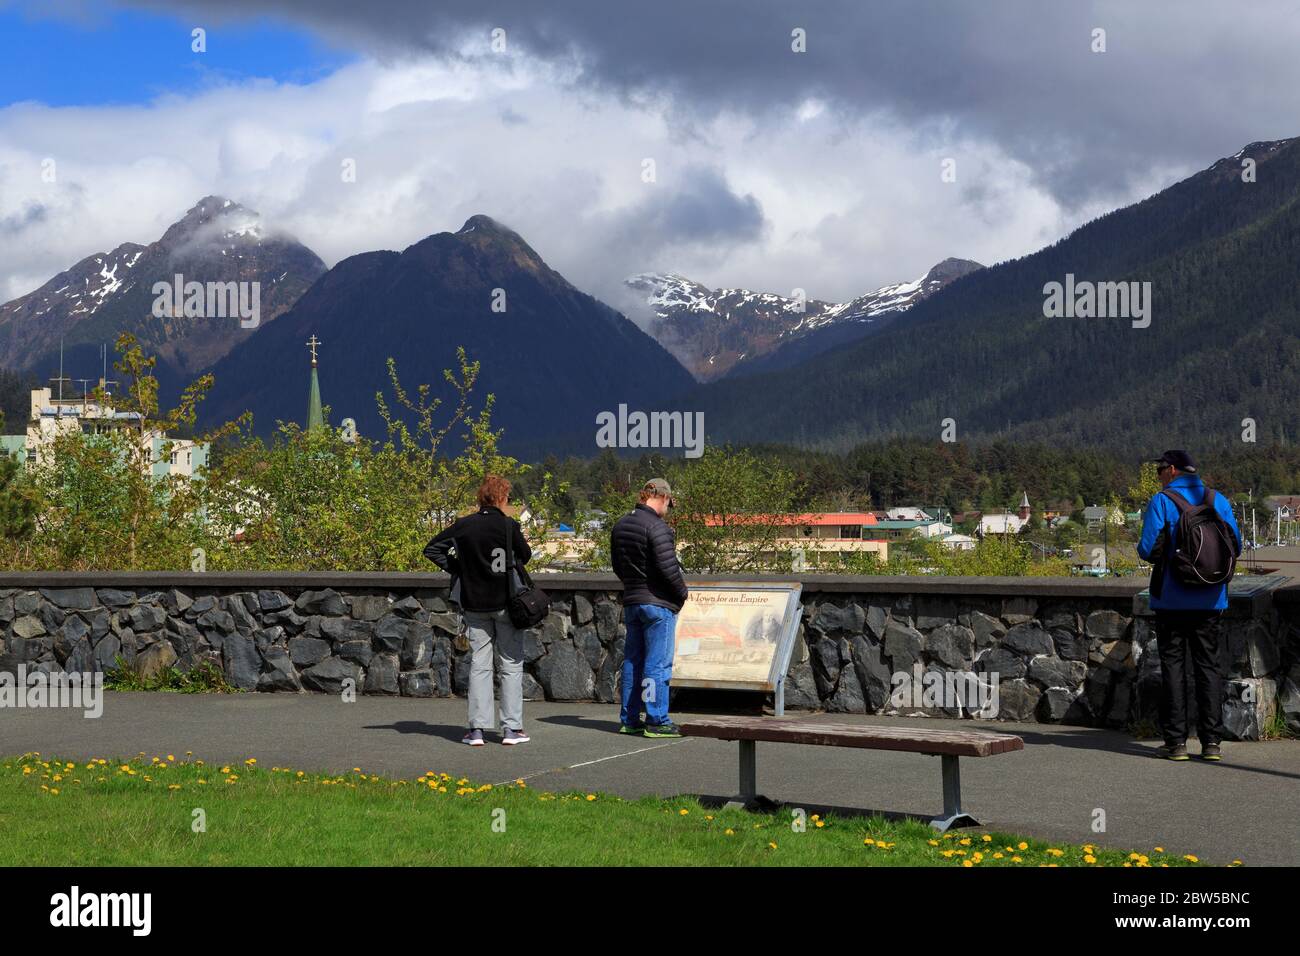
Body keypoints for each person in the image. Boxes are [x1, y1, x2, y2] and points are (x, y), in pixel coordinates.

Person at [1137, 450, 1241, 762]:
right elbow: (1235, 543)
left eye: (1159, 470)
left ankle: (1176, 743)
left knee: (1174, 668)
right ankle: (1211, 744)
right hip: (1210, 599)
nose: (1158, 475)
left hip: (1170, 600)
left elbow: (1146, 549)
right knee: (1208, 668)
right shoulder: (1216, 499)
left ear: (1171, 470)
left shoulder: (1162, 501)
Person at [424, 475, 532, 747]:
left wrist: (459, 567)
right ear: (501, 498)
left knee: (479, 666)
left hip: (474, 603)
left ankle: (477, 731)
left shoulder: (463, 526)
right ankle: (511, 729)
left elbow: (432, 549)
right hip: (507, 602)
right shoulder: (509, 526)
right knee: (510, 665)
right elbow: (525, 556)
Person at [610, 478, 689, 737]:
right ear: (663, 497)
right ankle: (656, 719)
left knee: (633, 662)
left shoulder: (621, 525)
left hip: (632, 601)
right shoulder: (658, 527)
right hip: (658, 605)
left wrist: (633, 586)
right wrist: (682, 594)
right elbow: (669, 569)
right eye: (669, 504)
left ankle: (630, 719)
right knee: (657, 664)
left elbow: (617, 566)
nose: (669, 509)